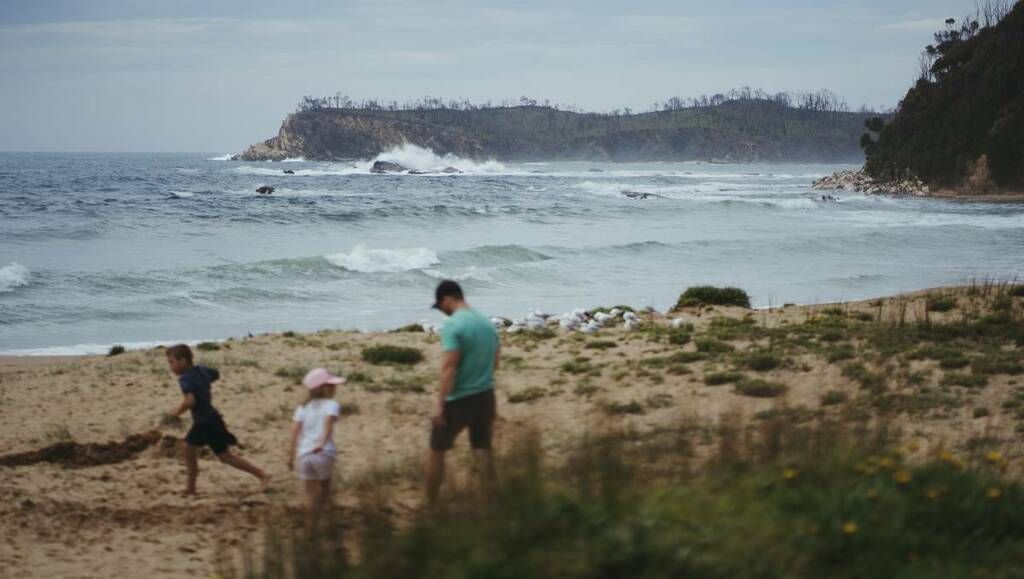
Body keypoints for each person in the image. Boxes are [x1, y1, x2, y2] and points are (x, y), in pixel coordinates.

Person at [426, 280, 501, 506]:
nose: (442, 311)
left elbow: (449, 367)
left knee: (436, 449)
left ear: (448, 299)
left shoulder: (454, 325)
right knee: (482, 449)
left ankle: (431, 503)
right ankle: (492, 502)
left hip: (459, 398)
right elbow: (495, 361)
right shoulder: (486, 323)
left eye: (440, 306)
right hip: (486, 394)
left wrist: (440, 405)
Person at [165, 344, 270, 495]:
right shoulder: (201, 370)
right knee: (189, 450)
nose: (170, 367)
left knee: (225, 457)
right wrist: (203, 385)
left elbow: (190, 401)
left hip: (205, 422)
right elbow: (215, 374)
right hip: (209, 419)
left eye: (171, 362)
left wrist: (176, 412)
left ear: (183, 361)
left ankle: (263, 475)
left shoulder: (185, 380)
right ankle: (191, 488)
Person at [288, 368, 345, 533]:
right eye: (331, 385)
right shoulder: (332, 405)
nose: (335, 388)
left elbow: (294, 433)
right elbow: (328, 424)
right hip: (323, 452)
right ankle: (323, 519)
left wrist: (290, 456)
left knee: (310, 493)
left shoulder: (302, 408)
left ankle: (310, 527)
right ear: (323, 388)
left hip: (304, 455)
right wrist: (321, 442)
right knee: (325, 487)